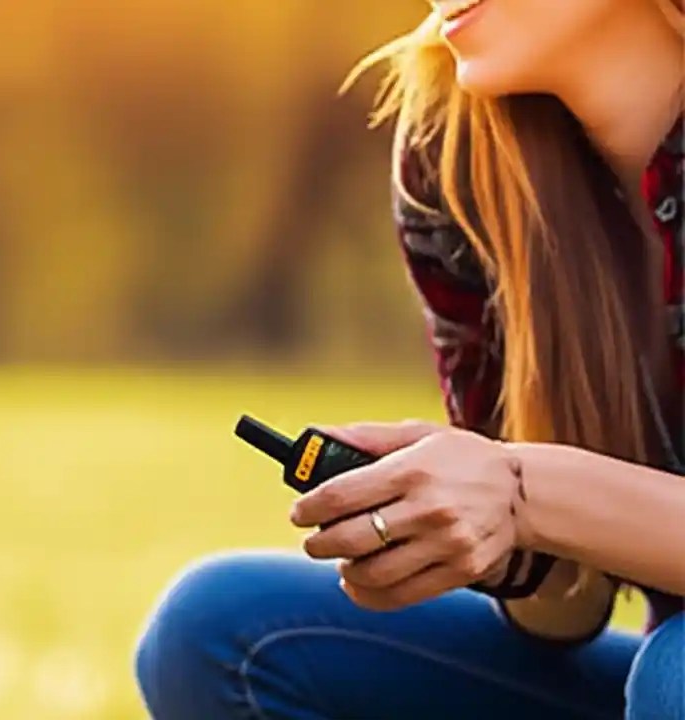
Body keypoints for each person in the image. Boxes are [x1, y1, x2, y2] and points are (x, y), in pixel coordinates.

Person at [134, 0, 685, 718]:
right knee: (219, 631)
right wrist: (479, 535)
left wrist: (523, 491)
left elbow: (529, 495)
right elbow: (563, 615)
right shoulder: (455, 153)